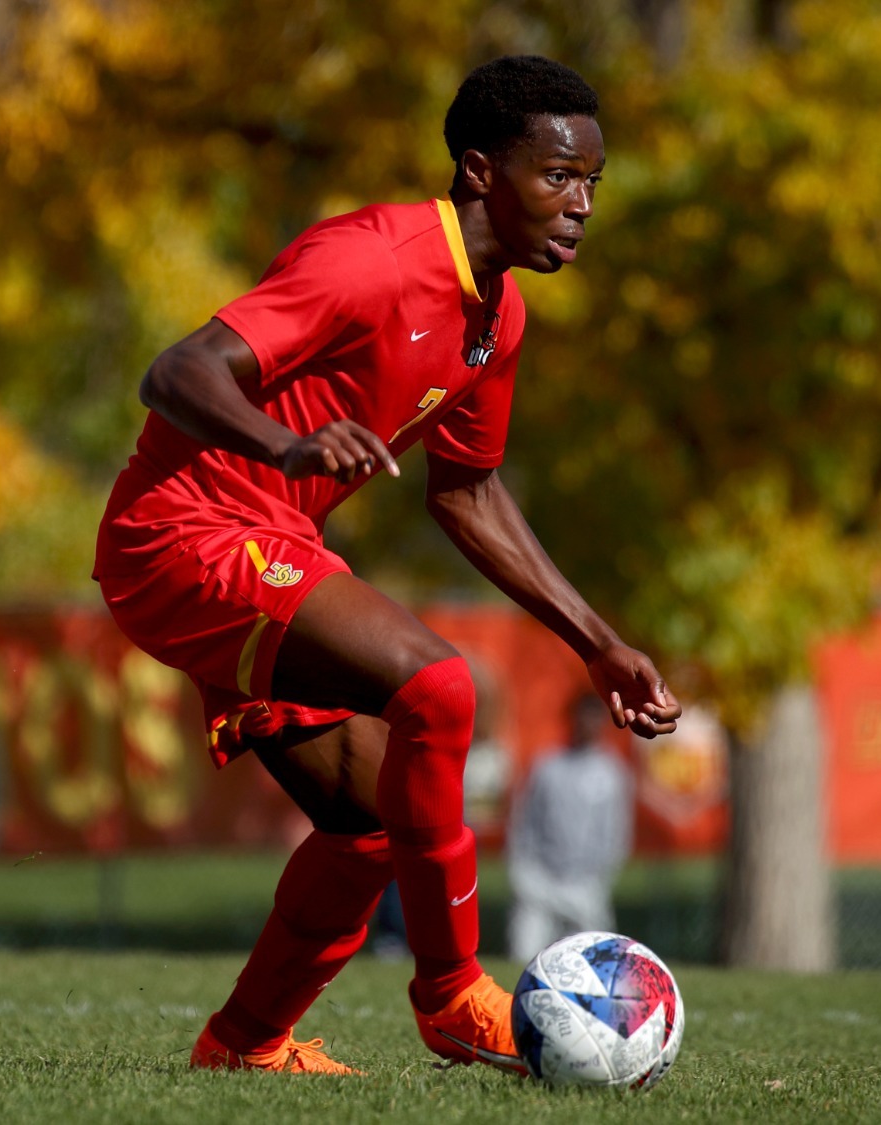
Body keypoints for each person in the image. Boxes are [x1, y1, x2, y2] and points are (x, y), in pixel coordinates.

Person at [94, 55, 680, 1076]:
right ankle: (452, 995)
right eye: (557, 177)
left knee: (368, 823)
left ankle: (240, 1047)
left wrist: (597, 642)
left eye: (593, 181)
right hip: (180, 535)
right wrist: (284, 450)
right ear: (477, 170)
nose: (581, 204)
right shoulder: (368, 260)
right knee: (439, 686)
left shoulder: (497, 316)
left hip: (270, 550)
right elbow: (175, 371)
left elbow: (466, 493)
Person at [507, 691, 633, 963]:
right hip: (541, 880)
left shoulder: (610, 773)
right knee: (525, 954)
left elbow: (616, 833)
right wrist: (524, 870)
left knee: (593, 960)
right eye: (583, 718)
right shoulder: (548, 766)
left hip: (585, 885)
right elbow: (525, 821)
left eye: (594, 719)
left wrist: (600, 876)